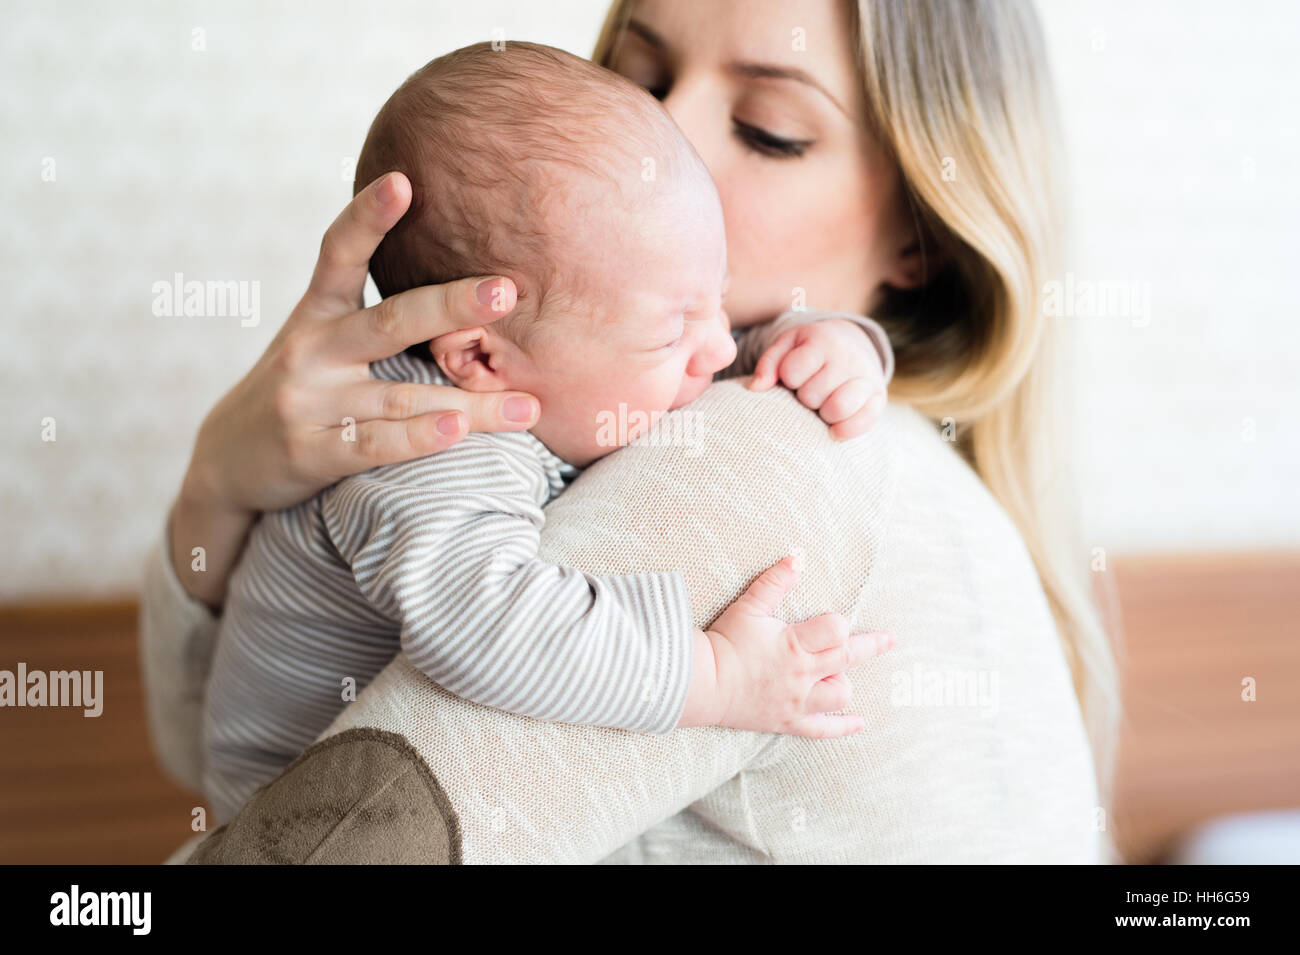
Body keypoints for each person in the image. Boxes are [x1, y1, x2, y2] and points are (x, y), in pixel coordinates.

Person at [142, 0, 1119, 863]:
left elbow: (306, 830)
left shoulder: (763, 455)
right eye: (641, 75)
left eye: (767, 129)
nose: (662, 137)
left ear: (920, 235)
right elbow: (237, 759)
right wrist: (220, 483)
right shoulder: (489, 434)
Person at [200, 41, 894, 823]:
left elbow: (708, 350)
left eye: (720, 300)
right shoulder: (430, 445)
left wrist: (828, 344)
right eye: (673, 331)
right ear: (481, 357)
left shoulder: (580, 350)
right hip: (300, 812)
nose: (723, 348)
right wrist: (716, 673)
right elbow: (488, 627)